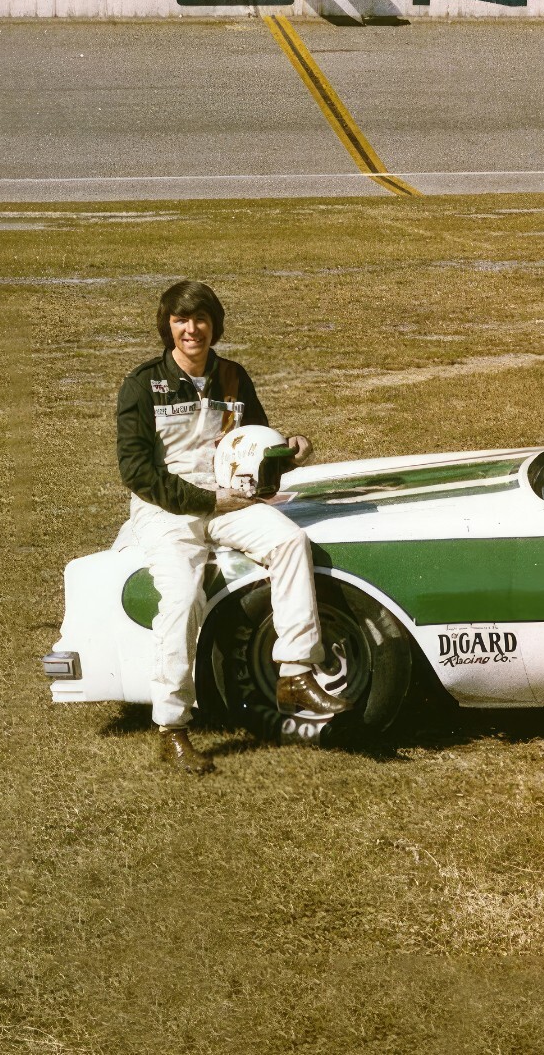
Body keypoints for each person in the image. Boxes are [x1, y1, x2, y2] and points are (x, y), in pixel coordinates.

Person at [115, 280, 349, 775]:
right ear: (168, 325)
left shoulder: (234, 376)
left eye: (200, 319)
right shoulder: (142, 383)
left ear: (214, 324)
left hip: (230, 501)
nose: (191, 329)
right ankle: (173, 728)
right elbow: (137, 473)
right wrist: (205, 500)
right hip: (167, 510)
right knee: (182, 598)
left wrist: (292, 448)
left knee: (290, 540)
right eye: (181, 320)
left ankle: (294, 670)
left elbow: (257, 447)